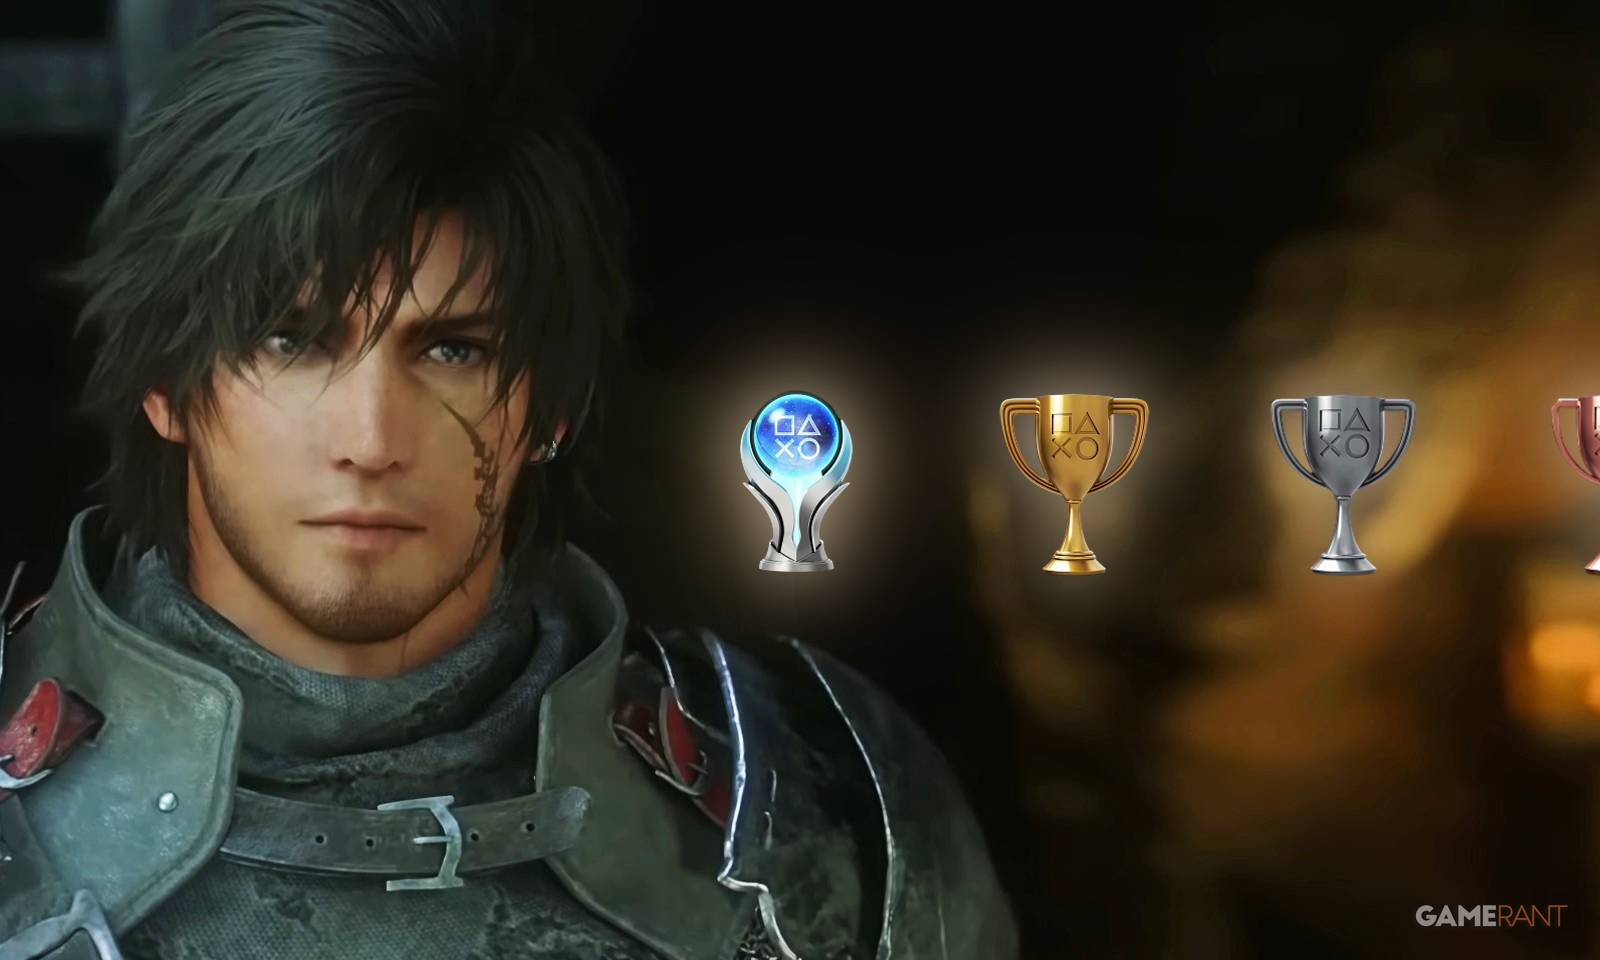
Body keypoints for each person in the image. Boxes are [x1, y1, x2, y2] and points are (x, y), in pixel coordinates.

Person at [0, 1, 1016, 958]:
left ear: (551, 406)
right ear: (167, 384)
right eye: (292, 340)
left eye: (453, 351)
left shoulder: (831, 810)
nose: (371, 440)